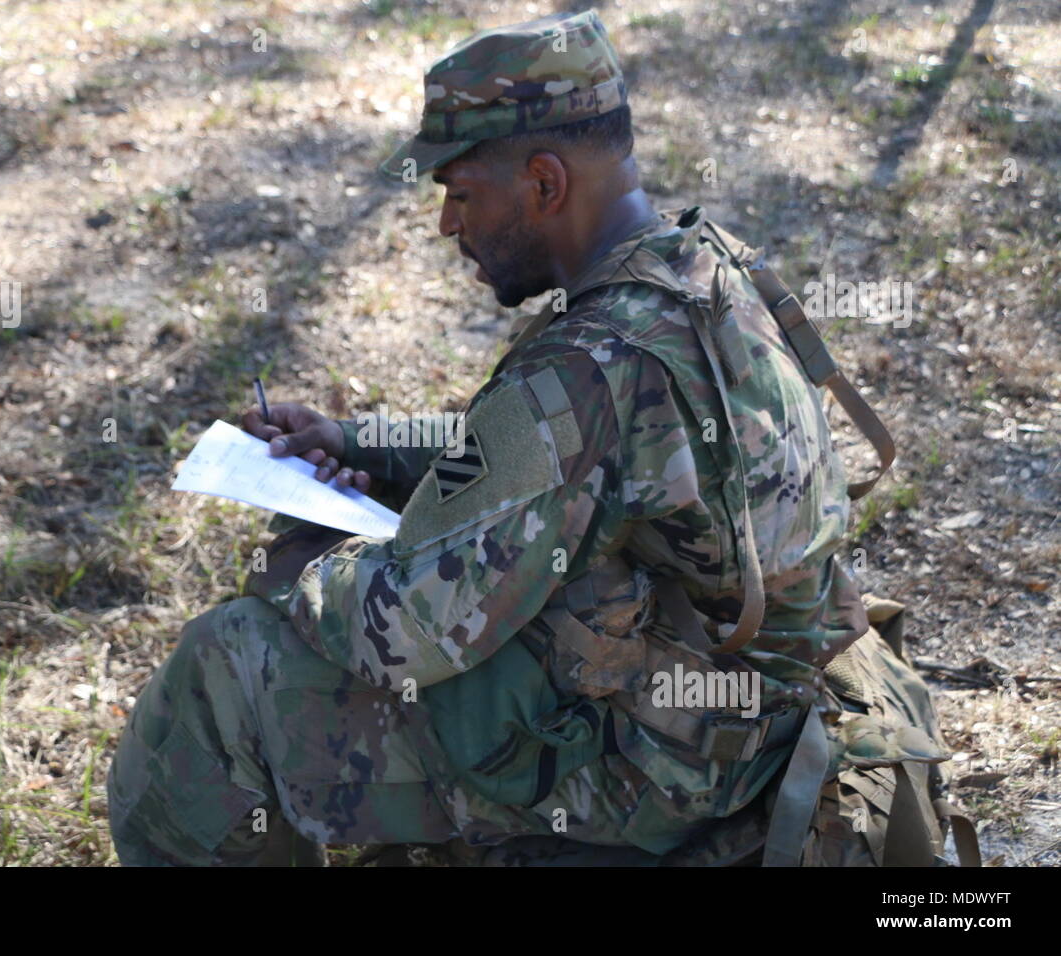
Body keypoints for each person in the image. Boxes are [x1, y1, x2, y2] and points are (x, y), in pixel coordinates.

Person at [107, 10, 974, 867]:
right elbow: (557, 453)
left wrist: (311, 558)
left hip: (676, 768)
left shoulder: (588, 364)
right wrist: (362, 444)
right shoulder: (700, 264)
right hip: (756, 702)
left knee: (224, 667)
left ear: (545, 183)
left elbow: (409, 631)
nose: (449, 225)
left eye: (461, 193)